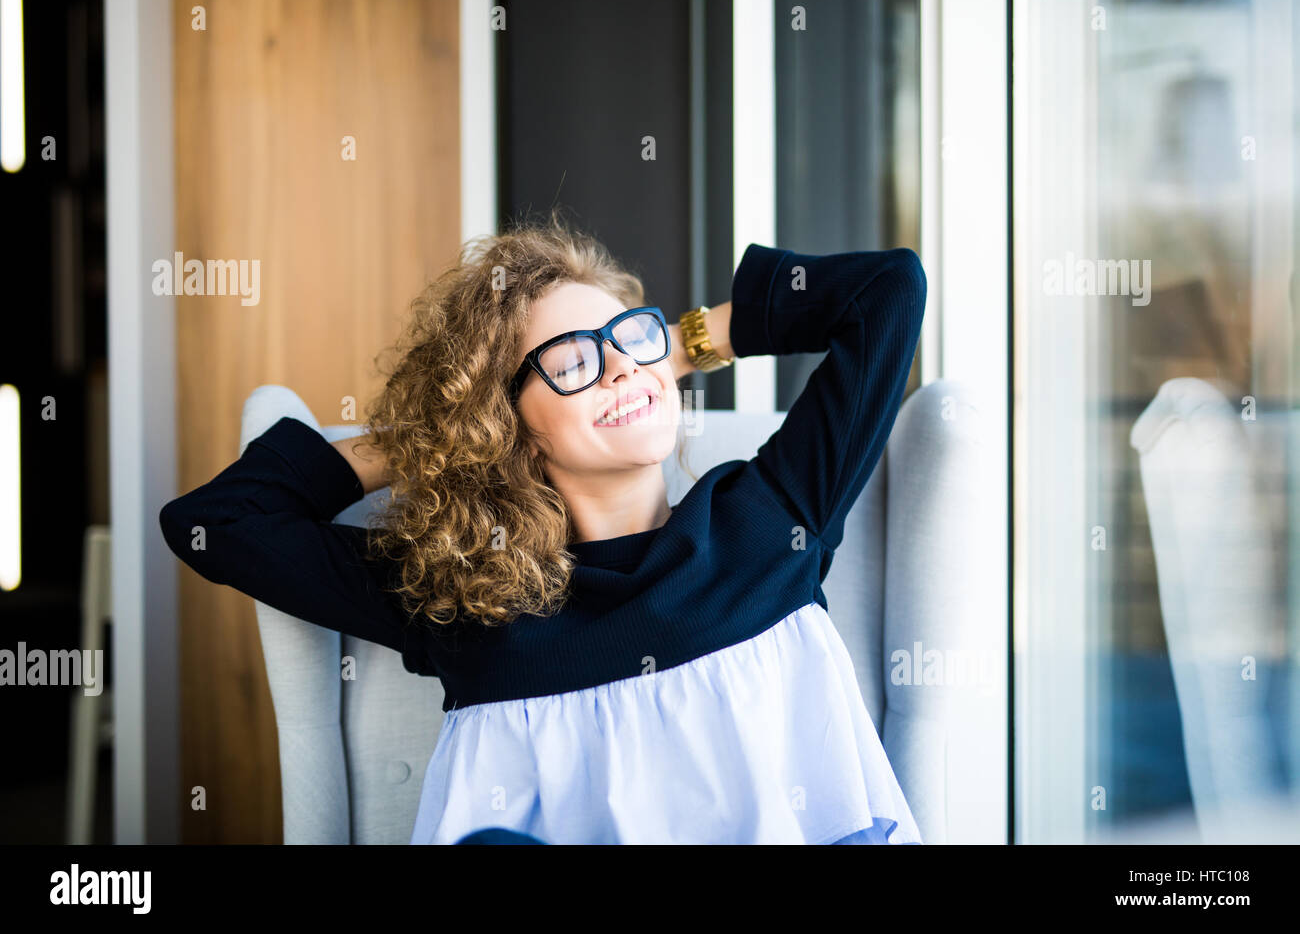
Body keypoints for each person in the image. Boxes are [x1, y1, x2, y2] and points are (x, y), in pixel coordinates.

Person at [159, 211, 928, 845]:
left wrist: (683, 348)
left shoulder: (774, 519)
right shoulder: (463, 600)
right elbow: (214, 522)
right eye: (572, 361)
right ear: (507, 426)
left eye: (629, 336)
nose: (620, 368)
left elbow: (886, 292)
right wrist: (439, 434)